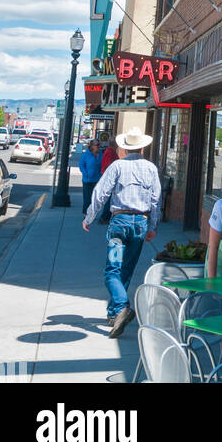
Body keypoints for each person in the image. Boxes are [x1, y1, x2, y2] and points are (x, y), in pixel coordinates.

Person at [83, 126, 162, 338]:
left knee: (112, 271)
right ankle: (114, 313)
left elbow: (100, 193)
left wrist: (89, 217)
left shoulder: (117, 166)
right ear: (143, 148)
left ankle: (121, 306)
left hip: (120, 223)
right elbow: (156, 200)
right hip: (140, 225)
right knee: (125, 269)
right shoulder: (151, 169)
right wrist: (153, 226)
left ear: (125, 149)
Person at [98, 135, 118, 224]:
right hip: (109, 178)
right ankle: (105, 217)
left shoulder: (109, 151)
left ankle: (106, 216)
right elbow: (110, 166)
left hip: (107, 177)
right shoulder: (110, 152)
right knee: (109, 199)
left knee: (109, 198)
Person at [78, 137, 101, 214]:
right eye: (97, 145)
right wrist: (85, 173)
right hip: (87, 180)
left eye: (99, 145)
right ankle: (86, 213)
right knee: (87, 199)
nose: (98, 146)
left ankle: (92, 213)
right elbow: (81, 165)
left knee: (95, 199)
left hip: (97, 180)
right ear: (92, 146)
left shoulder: (101, 155)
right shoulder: (86, 155)